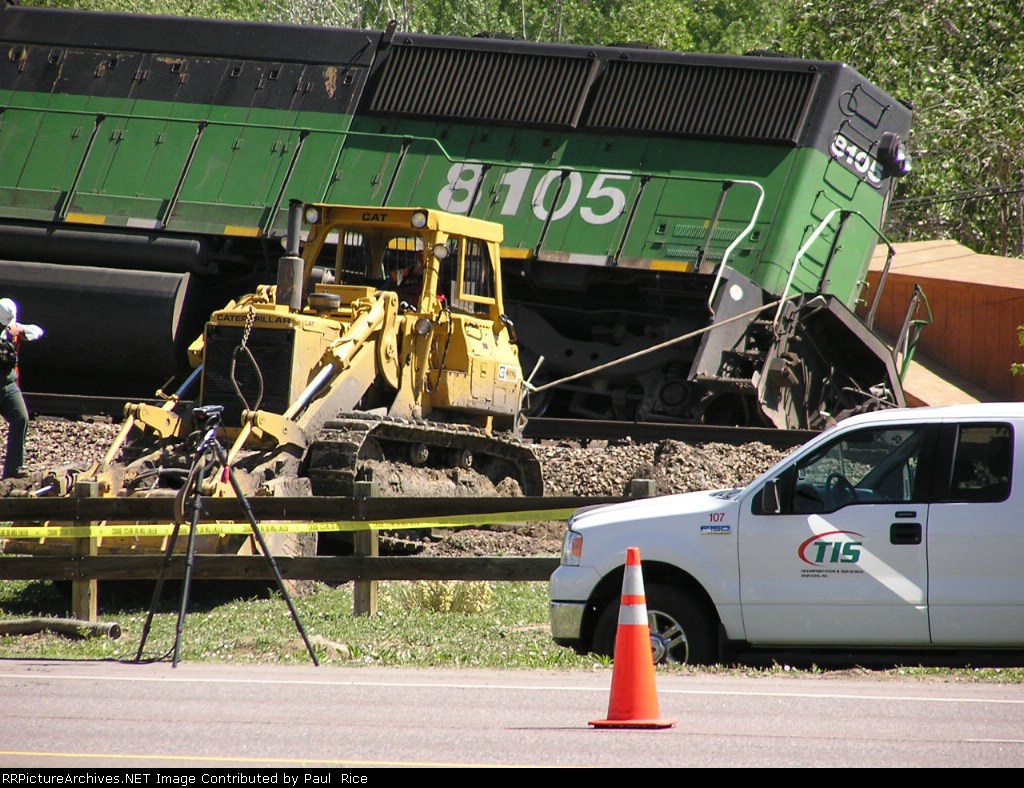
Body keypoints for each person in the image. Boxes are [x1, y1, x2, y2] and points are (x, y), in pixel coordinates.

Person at [0, 297, 44, 479]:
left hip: (8, 385)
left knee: (21, 418)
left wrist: (22, 330)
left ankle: (14, 467)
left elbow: (37, 331)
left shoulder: (12, 330)